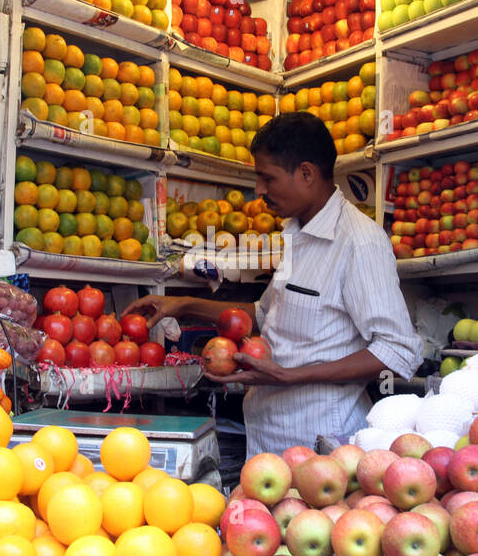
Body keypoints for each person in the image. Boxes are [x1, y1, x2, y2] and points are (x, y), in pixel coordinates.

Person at [125, 111, 423, 456]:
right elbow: (265, 314)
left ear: (306, 173)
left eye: (267, 178)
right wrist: (182, 306)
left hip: (322, 444)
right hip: (268, 437)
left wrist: (290, 375)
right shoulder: (297, 235)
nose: (259, 191)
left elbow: (398, 350)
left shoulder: (359, 242)